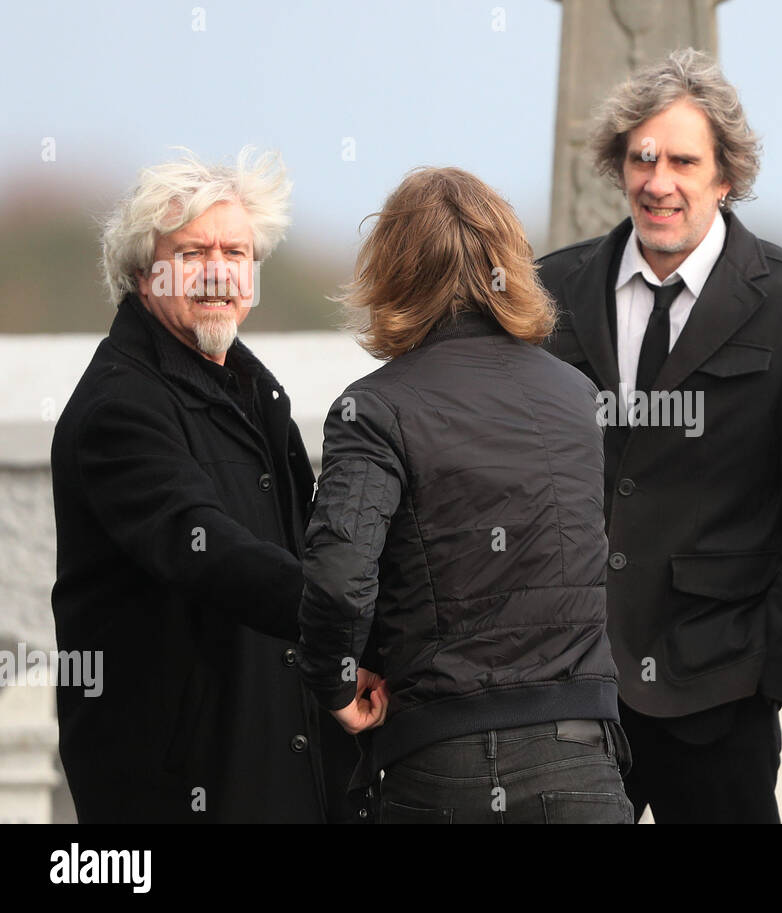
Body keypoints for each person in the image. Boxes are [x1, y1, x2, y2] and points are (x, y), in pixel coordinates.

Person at [538, 48, 782, 823]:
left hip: (720, 692)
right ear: (619, 167)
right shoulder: (549, 290)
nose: (660, 181)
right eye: (642, 157)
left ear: (726, 177)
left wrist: (772, 677)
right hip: (568, 683)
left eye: (684, 160)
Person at [296, 166, 632, 824]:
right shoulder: (578, 399)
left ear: (394, 271)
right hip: (580, 757)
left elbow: (338, 576)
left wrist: (334, 680)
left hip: (440, 764)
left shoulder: (373, 407)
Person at [50, 147, 358, 822]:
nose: (220, 272)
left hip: (275, 771)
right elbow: (206, 548)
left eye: (237, 253)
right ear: (141, 271)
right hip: (179, 787)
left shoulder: (255, 392)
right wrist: (351, 617)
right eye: (192, 254)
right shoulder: (119, 407)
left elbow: (301, 549)